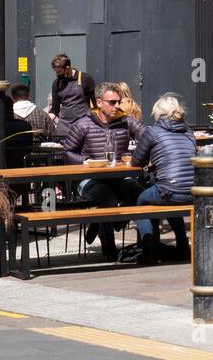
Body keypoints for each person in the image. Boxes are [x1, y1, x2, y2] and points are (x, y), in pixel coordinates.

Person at [60, 81, 146, 260]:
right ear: (99, 103)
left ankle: (102, 224)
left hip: (119, 177)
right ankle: (109, 250)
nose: (117, 106)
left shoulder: (126, 121)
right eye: (112, 102)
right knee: (107, 200)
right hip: (89, 179)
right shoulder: (83, 124)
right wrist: (85, 161)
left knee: (142, 196)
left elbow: (146, 135)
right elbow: (67, 152)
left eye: (118, 101)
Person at [132, 94, 196, 262]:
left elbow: (136, 162)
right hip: (193, 191)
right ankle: (182, 246)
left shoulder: (152, 132)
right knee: (171, 201)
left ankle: (148, 249)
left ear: (158, 114)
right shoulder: (189, 132)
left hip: (169, 189)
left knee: (140, 201)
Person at [48, 54, 96, 127]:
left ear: (67, 68)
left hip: (83, 126)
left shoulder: (85, 79)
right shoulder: (57, 83)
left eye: (59, 72)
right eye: (56, 72)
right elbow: (55, 109)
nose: (57, 74)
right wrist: (46, 120)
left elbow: (95, 103)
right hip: (64, 127)